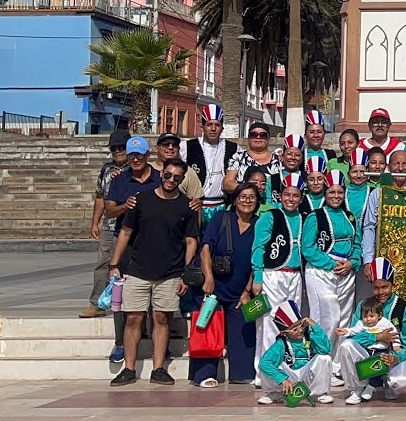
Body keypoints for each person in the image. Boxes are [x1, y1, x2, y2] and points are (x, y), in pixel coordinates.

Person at [108, 157, 199, 387]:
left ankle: (158, 368)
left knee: (162, 318)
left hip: (170, 272)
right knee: (133, 318)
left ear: (182, 179)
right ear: (161, 174)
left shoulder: (187, 206)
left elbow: (191, 241)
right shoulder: (141, 200)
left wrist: (186, 273)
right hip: (138, 269)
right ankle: (129, 369)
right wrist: (114, 264)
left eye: (177, 177)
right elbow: (125, 232)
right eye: (168, 175)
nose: (171, 180)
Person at [191, 184, 260, 387]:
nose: (247, 201)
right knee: (207, 329)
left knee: (243, 333)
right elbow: (206, 248)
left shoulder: (259, 223)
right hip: (213, 287)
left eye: (252, 197)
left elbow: (259, 259)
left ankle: (241, 373)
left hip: (240, 290)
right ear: (235, 199)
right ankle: (204, 374)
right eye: (242, 197)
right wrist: (209, 278)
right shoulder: (222, 218)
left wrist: (247, 290)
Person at [333, 258, 406, 404]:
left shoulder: (405, 309)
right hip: (369, 354)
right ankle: (358, 388)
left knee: (401, 384)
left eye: (385, 287)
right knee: (346, 345)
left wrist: (396, 358)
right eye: (376, 287)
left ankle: (387, 385)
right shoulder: (364, 306)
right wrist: (377, 337)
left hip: (392, 357)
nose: (380, 292)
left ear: (393, 285)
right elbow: (354, 336)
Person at [302, 170, 360, 372]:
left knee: (344, 320)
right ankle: (320, 364)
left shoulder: (350, 217)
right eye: (331, 192)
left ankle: (337, 366)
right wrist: (331, 264)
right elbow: (308, 248)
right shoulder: (315, 216)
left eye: (339, 192)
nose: (336, 196)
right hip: (322, 271)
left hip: (346, 272)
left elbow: (357, 243)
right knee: (328, 318)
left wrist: (352, 262)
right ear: (325, 194)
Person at [250, 174, 306, 375]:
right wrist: (258, 277)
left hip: (295, 276)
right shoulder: (270, 216)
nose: (291, 199)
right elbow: (259, 247)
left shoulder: (303, 218)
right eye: (287, 195)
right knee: (269, 321)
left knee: (292, 322)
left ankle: (287, 367)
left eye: (295, 195)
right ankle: (265, 371)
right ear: (280, 196)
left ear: (301, 198)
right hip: (273, 275)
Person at [84, 129, 130, 321]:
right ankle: (97, 303)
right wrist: (95, 222)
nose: (118, 151)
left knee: (126, 264)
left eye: (121, 147)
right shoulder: (106, 169)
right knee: (102, 264)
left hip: (129, 226)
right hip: (109, 226)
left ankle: (128, 303)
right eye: (114, 148)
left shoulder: (136, 167)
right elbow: (100, 197)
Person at [257, 300, 335, 405]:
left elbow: (326, 349)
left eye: (301, 326)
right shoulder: (281, 344)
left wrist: (314, 325)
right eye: (294, 329)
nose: (300, 330)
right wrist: (283, 379)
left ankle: (318, 394)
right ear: (284, 333)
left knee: (325, 358)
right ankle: (275, 393)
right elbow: (264, 363)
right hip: (288, 377)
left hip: (307, 375)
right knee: (266, 365)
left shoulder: (310, 335)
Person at [184, 103, 238, 200]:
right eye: (209, 125)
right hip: (194, 203)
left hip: (222, 203)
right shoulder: (187, 146)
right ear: (202, 127)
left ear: (222, 129)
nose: (213, 129)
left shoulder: (234, 148)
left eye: (217, 125)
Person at [227, 122, 282, 195]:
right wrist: (250, 190)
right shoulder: (238, 157)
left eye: (263, 135)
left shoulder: (279, 159)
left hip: (273, 201)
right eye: (254, 134)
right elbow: (227, 184)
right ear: (248, 138)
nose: (258, 137)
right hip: (245, 200)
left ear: (268, 138)